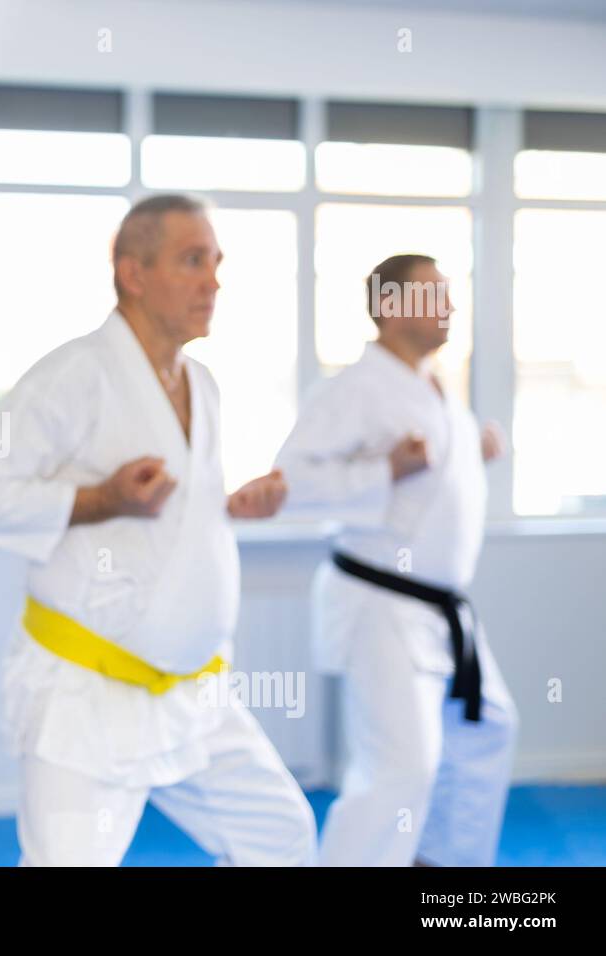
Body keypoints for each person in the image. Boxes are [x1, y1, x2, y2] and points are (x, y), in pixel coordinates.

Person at [0, 194, 317, 867]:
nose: (213, 281)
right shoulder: (72, 375)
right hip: (85, 695)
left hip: (194, 691)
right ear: (133, 273)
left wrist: (235, 505)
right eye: (192, 261)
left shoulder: (202, 383)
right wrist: (101, 499)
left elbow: (172, 518)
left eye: (216, 262)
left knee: (281, 833)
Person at [274, 253, 518, 867]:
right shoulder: (354, 389)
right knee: (400, 768)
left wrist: (472, 452)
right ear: (389, 307)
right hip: (382, 602)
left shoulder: (436, 385)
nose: (450, 306)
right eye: (433, 294)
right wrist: (385, 469)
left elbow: (432, 487)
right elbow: (293, 479)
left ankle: (442, 870)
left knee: (487, 731)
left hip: (440, 608)